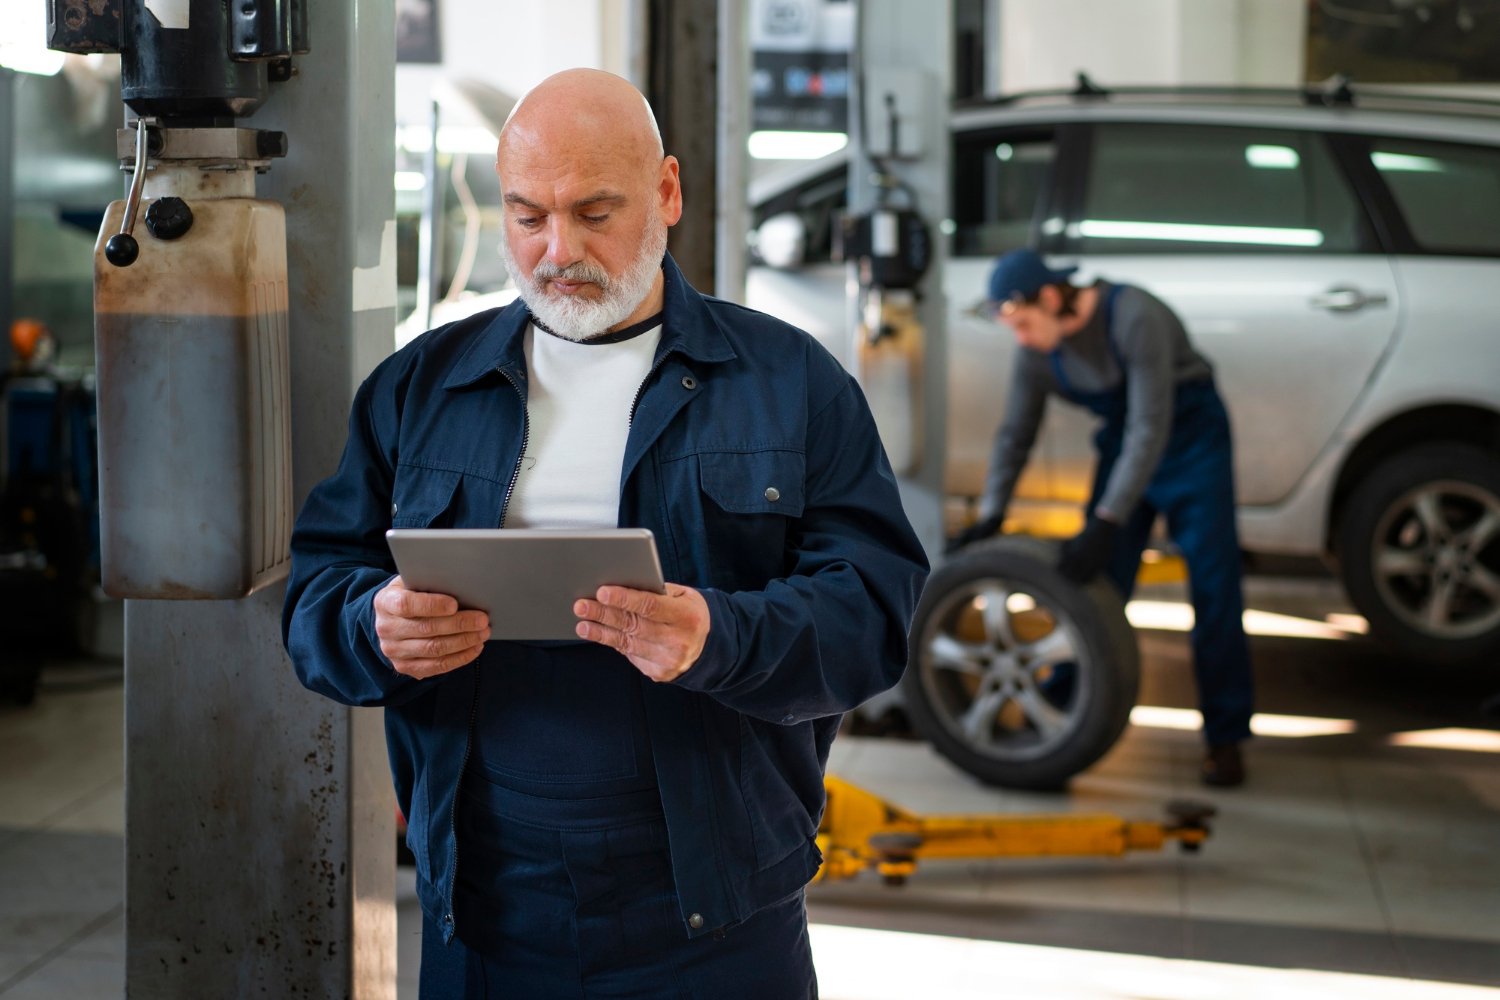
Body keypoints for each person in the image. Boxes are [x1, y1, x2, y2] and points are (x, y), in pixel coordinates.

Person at [282, 68, 928, 998]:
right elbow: (315, 596)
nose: (557, 251)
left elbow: (872, 614)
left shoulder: (791, 384)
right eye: (526, 215)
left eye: (594, 212)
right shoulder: (421, 389)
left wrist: (720, 635)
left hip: (714, 909)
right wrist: (371, 624)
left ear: (666, 192)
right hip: (487, 907)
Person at [948, 248, 1254, 788]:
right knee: (1095, 584)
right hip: (1124, 445)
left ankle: (1225, 738)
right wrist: (993, 512)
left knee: (1213, 586)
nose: (1019, 338)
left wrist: (1108, 519)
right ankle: (1066, 707)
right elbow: (1016, 432)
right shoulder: (1038, 352)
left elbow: (1149, 426)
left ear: (1049, 297)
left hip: (1190, 439)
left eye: (1022, 323)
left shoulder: (1134, 315)